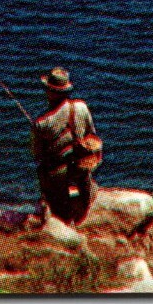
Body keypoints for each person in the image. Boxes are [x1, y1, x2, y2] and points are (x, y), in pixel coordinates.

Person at [30, 67, 102, 225]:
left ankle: (61, 209)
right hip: (81, 165)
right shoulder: (81, 107)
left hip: (59, 173)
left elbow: (37, 154)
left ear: (50, 92)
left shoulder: (41, 123)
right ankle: (86, 192)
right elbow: (91, 134)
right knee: (81, 173)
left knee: (43, 171)